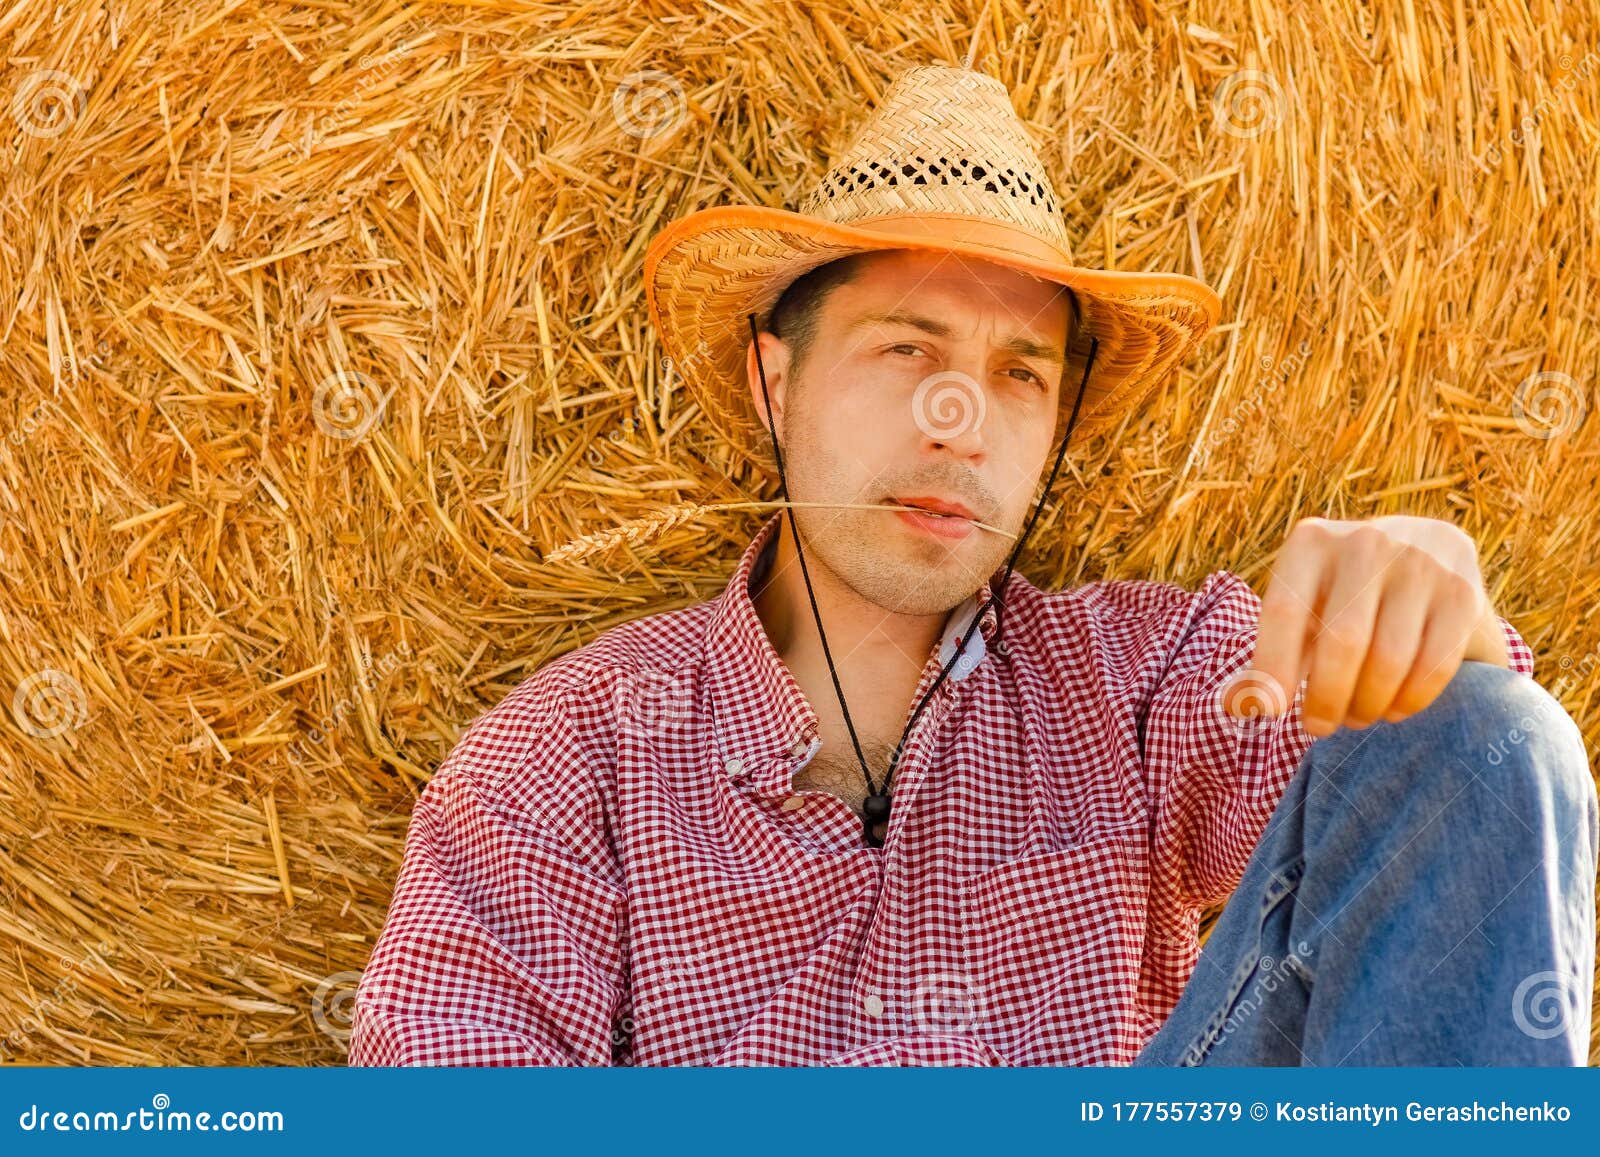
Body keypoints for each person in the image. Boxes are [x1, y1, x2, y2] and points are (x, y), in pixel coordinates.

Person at [348, 64, 1597, 1067]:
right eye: (904, 348)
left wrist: (1430, 622)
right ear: (774, 381)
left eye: (1019, 373)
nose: (961, 419)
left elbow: (1419, 778)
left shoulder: (1143, 675)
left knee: (1487, 729)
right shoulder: (564, 756)